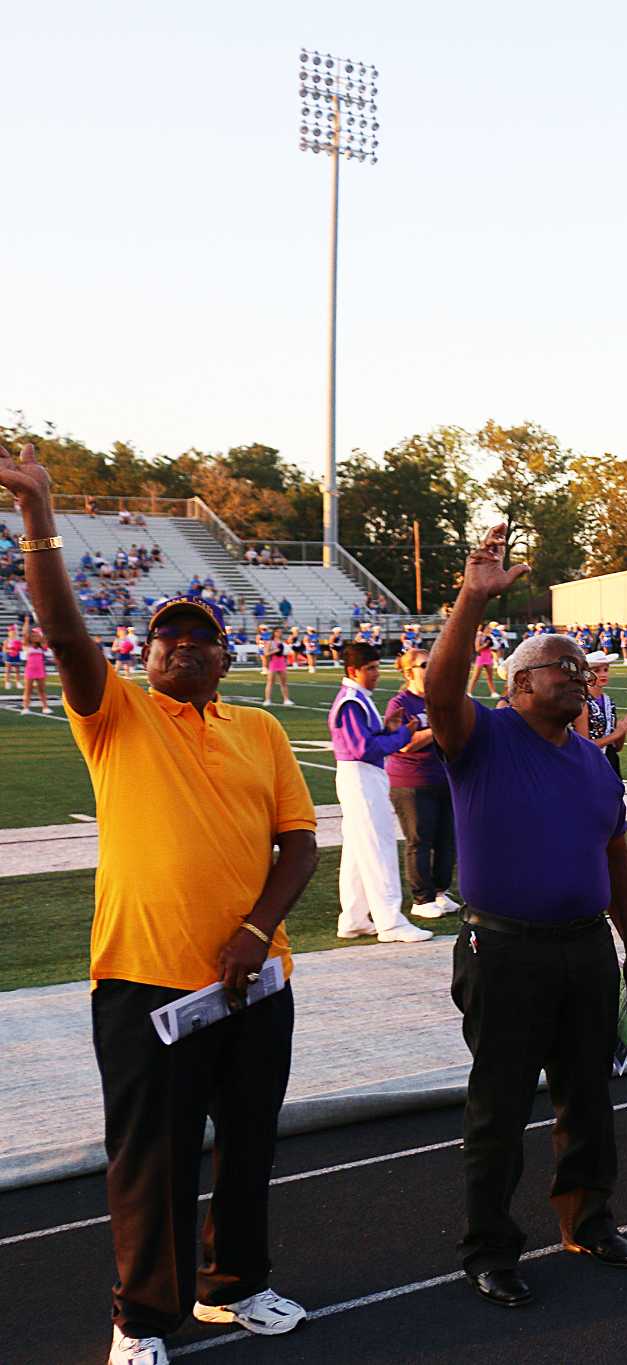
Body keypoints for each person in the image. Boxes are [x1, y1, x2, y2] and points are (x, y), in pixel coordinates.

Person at [3, 442, 318, 1365]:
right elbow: (67, 636)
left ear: (225, 655)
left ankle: (236, 1283)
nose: (183, 643)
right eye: (166, 636)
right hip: (145, 980)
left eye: (199, 636)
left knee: (250, 1143)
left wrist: (257, 930)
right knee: (153, 1159)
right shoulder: (117, 715)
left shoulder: (261, 728)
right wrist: (38, 514)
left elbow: (299, 842)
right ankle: (140, 1321)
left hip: (255, 980)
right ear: (143, 657)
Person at [423, 524, 627, 1308]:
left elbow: (616, 860)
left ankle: (588, 1220)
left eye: (584, 668)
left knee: (587, 1097)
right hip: (504, 951)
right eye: (566, 666)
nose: (582, 676)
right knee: (498, 1106)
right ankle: (489, 1247)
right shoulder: (482, 736)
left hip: (586, 950)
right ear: (520, 683)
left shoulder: (593, 762)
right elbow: (440, 690)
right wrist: (472, 596)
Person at [329, 642, 437, 944]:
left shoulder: (356, 698)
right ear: (354, 671)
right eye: (370, 668)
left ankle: (353, 918)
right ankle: (390, 922)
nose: (376, 673)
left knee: (357, 850)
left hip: (361, 777)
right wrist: (402, 734)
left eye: (377, 667)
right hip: (361, 778)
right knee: (379, 848)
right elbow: (363, 748)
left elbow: (366, 740)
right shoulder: (351, 701)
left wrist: (389, 729)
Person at [385, 648, 460, 919]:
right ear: (409, 673)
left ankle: (440, 892)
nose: (431, 669)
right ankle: (421, 898)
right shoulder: (400, 703)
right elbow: (403, 744)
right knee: (419, 840)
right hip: (411, 780)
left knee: (447, 840)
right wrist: (438, 728)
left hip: (443, 776)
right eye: (425, 665)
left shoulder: (439, 699)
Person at [572, 652, 627, 778]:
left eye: (606, 670)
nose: (603, 674)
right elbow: (584, 746)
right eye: (597, 670)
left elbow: (617, 747)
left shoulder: (609, 702)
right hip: (590, 765)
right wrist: (616, 734)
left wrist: (623, 729)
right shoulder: (582, 703)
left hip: (610, 762)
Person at [23, 626, 53, 711]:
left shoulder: (42, 647)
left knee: (42, 690)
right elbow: (25, 633)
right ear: (30, 637)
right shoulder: (27, 645)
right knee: (28, 690)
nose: (35, 637)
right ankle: (26, 708)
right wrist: (27, 621)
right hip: (30, 671)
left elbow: (45, 643)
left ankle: (45, 707)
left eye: (37, 636)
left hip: (40, 670)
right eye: (33, 636)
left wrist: (41, 636)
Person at [471, 627, 502, 698]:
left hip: (488, 658)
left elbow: (495, 647)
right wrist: (485, 645)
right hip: (481, 657)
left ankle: (493, 693)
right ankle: (469, 692)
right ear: (484, 629)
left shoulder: (490, 637)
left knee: (490, 677)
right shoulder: (479, 637)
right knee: (475, 677)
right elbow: (477, 649)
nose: (490, 630)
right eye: (488, 628)